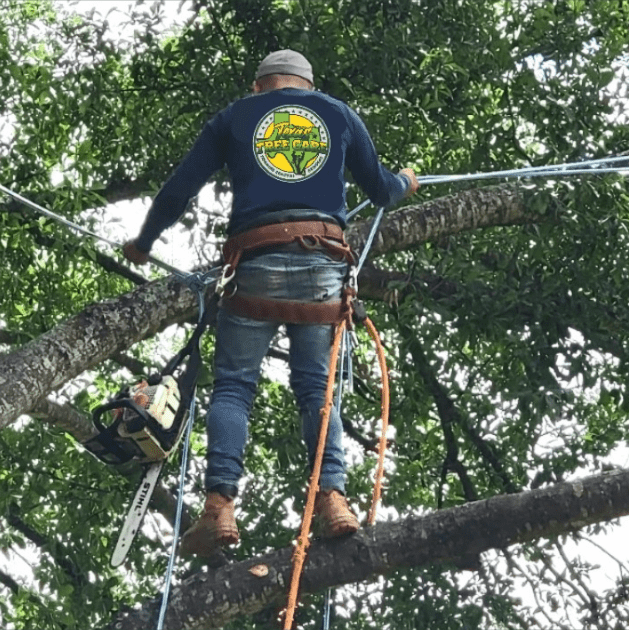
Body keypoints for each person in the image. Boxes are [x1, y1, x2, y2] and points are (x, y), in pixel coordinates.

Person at [123, 49, 418, 557]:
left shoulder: (236, 116)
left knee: (235, 387)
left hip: (254, 264)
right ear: (308, 84)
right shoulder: (337, 113)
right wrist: (408, 182)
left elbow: (179, 189)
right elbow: (383, 189)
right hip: (322, 266)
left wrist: (144, 242)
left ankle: (219, 507)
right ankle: (332, 500)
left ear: (259, 86)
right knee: (316, 390)